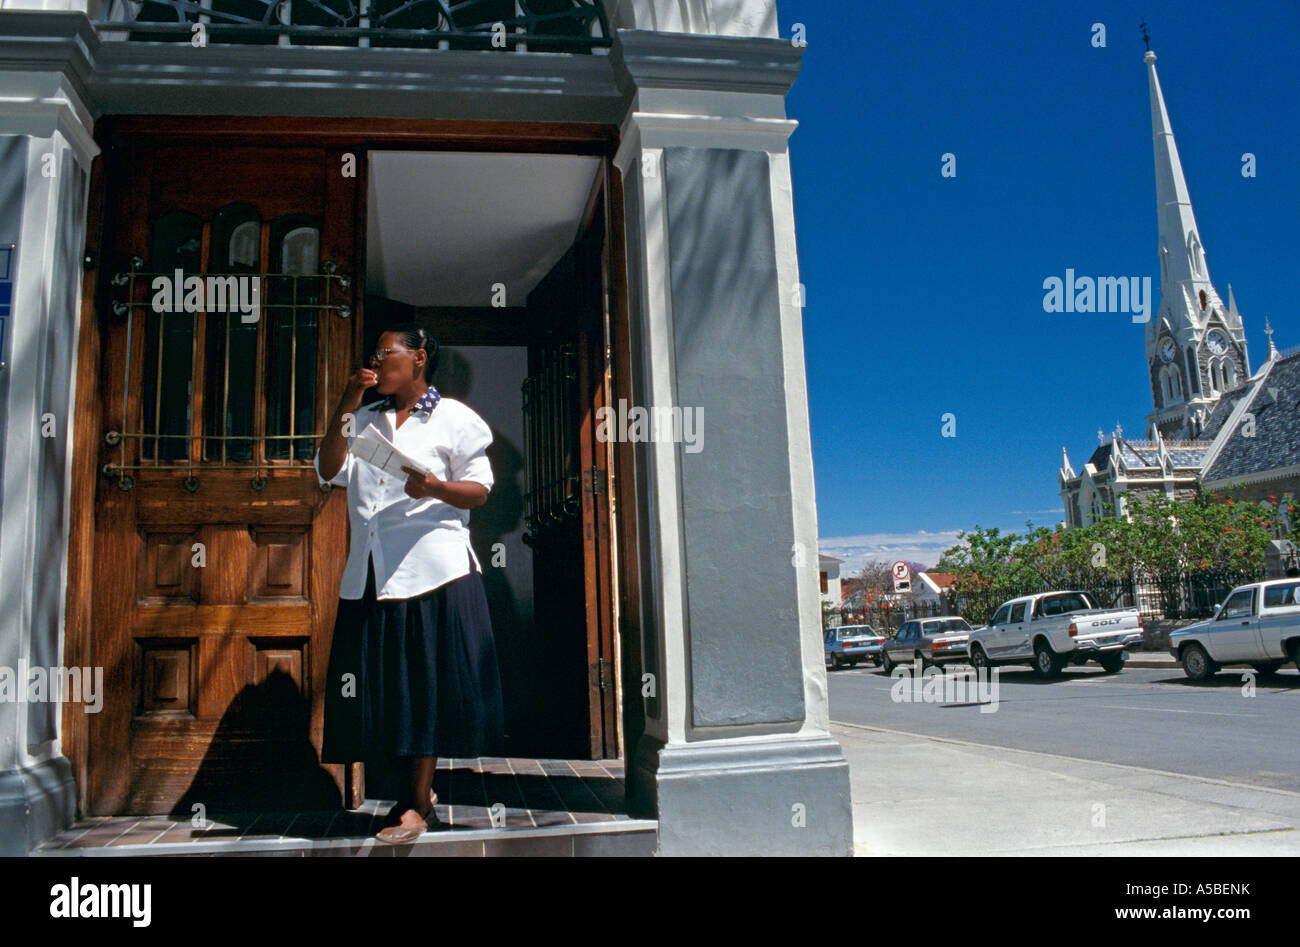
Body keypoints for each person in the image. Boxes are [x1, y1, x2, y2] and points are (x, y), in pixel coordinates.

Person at [314, 323, 504, 843]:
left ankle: (415, 803)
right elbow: (328, 469)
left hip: (434, 571)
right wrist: (350, 399)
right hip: (372, 570)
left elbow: (480, 492)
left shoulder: (454, 418)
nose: (377, 359)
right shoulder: (366, 419)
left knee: (424, 686)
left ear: (419, 358)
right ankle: (416, 797)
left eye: (386, 351)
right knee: (386, 687)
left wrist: (436, 487)